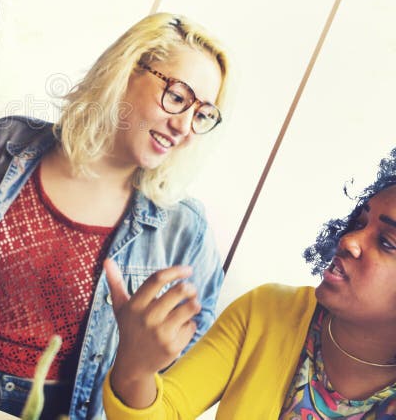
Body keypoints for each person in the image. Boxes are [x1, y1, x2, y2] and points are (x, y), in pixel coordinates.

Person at [0, 13, 232, 420]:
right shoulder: (8, 144)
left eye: (202, 114)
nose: (184, 126)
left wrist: (141, 360)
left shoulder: (185, 232)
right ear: (125, 71)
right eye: (177, 97)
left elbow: (179, 388)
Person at [103, 147, 396, 419]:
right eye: (359, 223)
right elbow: (168, 411)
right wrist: (135, 369)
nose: (349, 241)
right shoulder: (267, 311)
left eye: (386, 242)